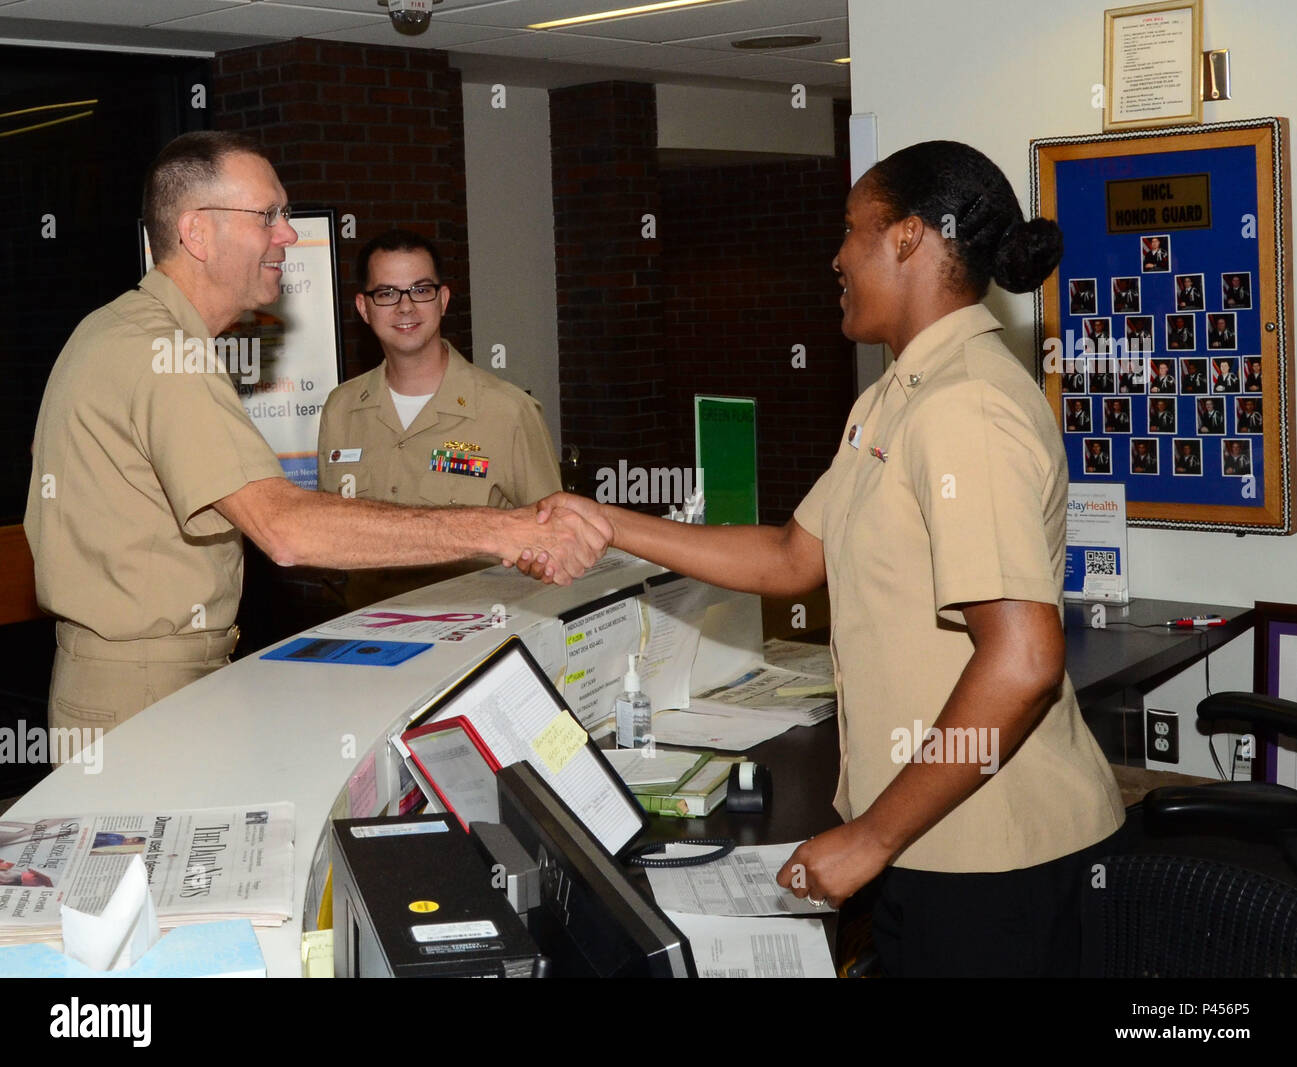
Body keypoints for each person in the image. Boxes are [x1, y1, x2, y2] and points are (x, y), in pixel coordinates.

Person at [529, 141, 1124, 977]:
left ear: (910, 237)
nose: (836, 256)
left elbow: (1023, 661)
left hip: (995, 857)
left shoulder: (966, 408)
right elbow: (786, 557)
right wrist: (606, 522)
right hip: (925, 837)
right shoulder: (891, 397)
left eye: (852, 230)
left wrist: (869, 837)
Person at [24, 132, 608, 736]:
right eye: (268, 216)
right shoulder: (163, 351)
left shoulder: (117, 328)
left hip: (130, 677)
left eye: (286, 215)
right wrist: (505, 529)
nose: (288, 235)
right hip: (145, 688)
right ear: (197, 233)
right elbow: (285, 529)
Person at [316, 229, 563, 606]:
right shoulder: (341, 408)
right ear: (364, 308)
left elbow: (551, 540)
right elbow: (330, 541)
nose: (405, 307)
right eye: (386, 293)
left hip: (476, 636)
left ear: (443, 300)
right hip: (368, 637)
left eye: (420, 290)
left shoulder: (507, 411)